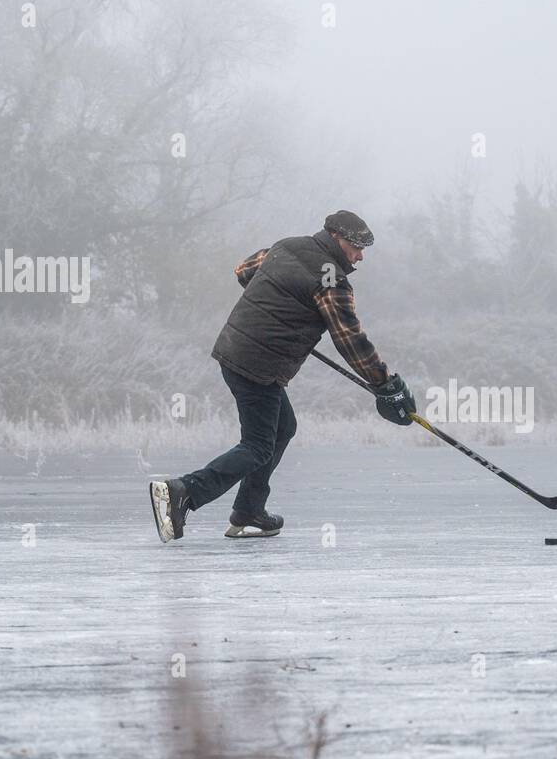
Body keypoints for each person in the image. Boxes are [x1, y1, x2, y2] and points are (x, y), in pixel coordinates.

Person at [149, 210, 415, 542]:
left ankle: (249, 513)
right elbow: (350, 340)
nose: (360, 256)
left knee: (283, 428)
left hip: (234, 349)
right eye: (356, 247)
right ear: (336, 238)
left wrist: (282, 303)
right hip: (259, 364)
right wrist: (384, 383)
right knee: (258, 445)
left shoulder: (286, 247)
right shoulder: (331, 280)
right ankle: (183, 492)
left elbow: (243, 271)